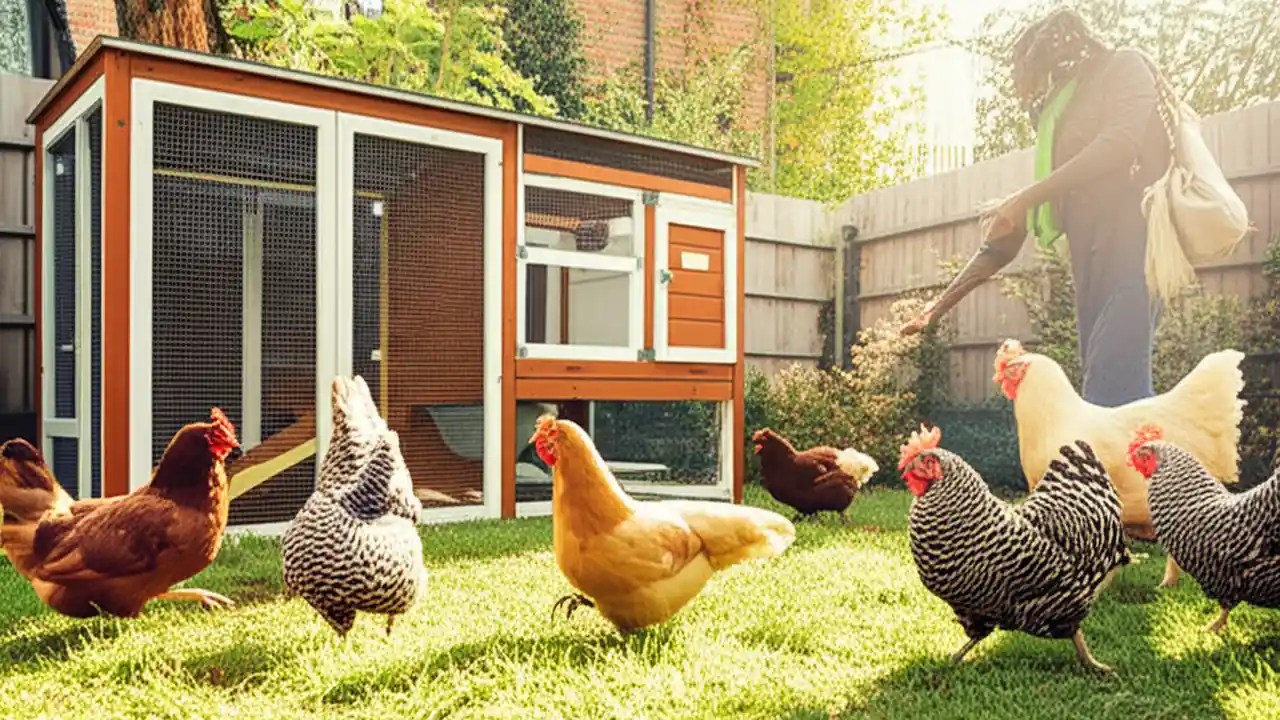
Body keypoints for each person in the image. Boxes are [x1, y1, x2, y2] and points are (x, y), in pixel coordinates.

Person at [901, 8, 1170, 407]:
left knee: (1113, 393)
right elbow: (1001, 244)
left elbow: (1120, 143)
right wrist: (935, 310)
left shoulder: (1123, 66)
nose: (1040, 91)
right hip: (1092, 279)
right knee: (1104, 397)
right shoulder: (1058, 127)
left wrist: (1026, 197)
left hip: (1134, 260)